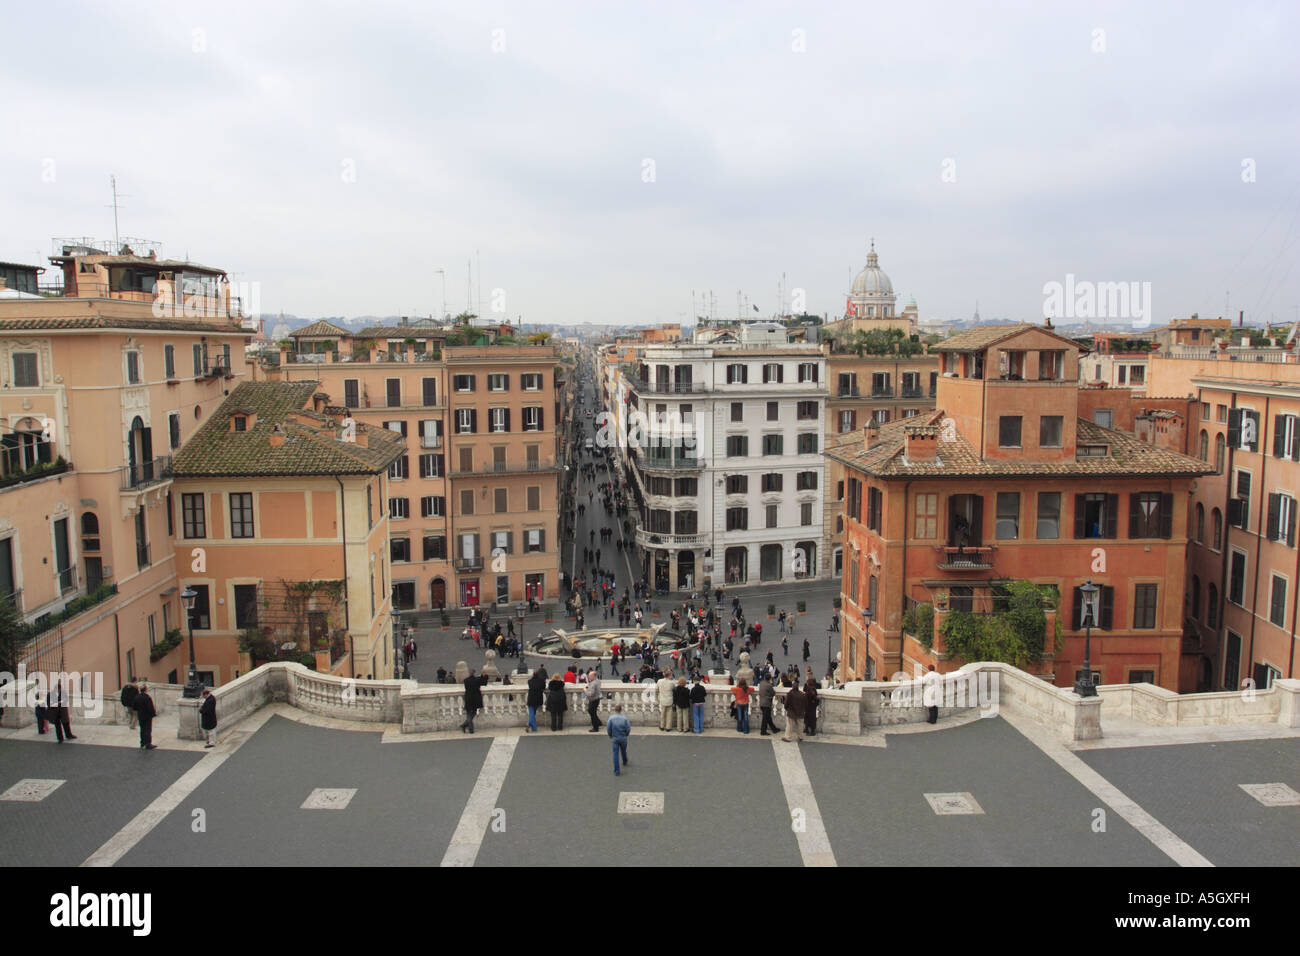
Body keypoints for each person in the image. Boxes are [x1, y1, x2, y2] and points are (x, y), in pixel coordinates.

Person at [607, 703, 632, 776]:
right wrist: (626, 734)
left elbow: (608, 729)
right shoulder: (624, 718)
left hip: (615, 738)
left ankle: (616, 771)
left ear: (615, 710)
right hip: (623, 737)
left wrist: (610, 735)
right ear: (621, 710)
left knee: (615, 754)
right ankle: (624, 761)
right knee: (623, 751)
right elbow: (628, 728)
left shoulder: (611, 718)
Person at [459, 668, 484, 734]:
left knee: (469, 713)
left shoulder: (466, 680)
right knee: (473, 712)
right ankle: (469, 728)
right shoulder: (477, 680)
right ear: (474, 673)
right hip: (475, 699)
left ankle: (465, 725)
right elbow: (482, 683)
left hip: (468, 698)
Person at [136, 683, 158, 749]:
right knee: (148, 730)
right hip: (147, 716)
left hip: (140, 715)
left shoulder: (137, 697)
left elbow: (134, 706)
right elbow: (150, 707)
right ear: (145, 690)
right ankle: (148, 743)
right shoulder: (147, 697)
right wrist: (153, 714)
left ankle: (142, 743)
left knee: (142, 729)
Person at [803, 669, 819, 737]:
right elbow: (815, 696)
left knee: (807, 718)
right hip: (812, 706)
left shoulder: (807, 688)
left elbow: (804, 690)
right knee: (812, 718)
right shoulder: (812, 689)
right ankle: (812, 731)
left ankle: (806, 729)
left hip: (807, 706)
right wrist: (816, 701)